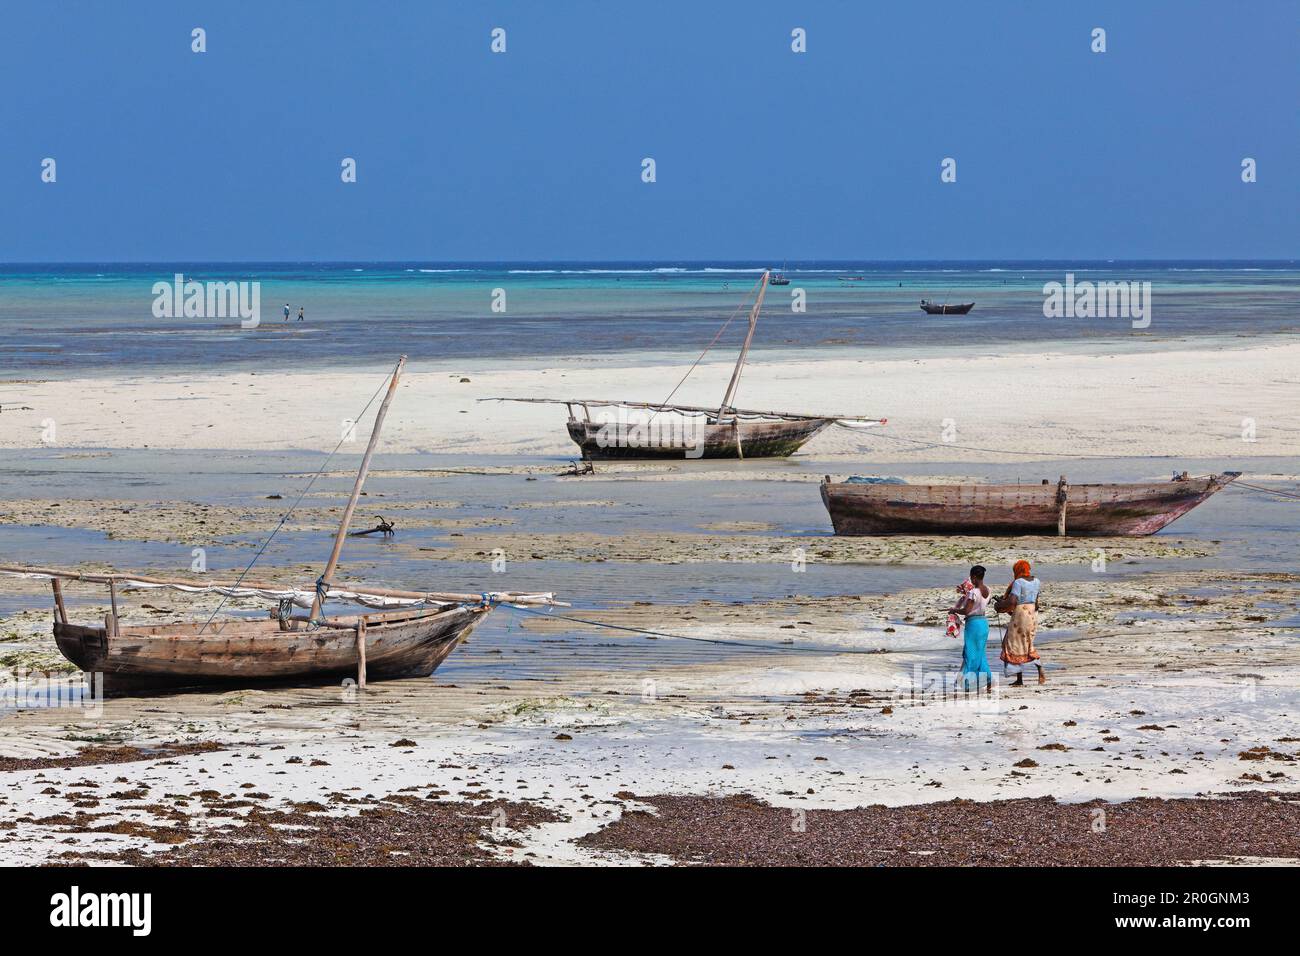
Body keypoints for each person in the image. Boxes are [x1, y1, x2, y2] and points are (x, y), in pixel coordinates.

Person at [996, 559, 1045, 685]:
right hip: (1033, 614)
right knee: (1028, 643)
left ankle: (1019, 679)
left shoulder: (1018, 582)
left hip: (1021, 616)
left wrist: (999, 605)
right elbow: (1037, 603)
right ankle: (1039, 669)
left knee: (1013, 644)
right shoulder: (1037, 581)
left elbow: (1012, 602)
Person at [948, 564, 991, 691]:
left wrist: (954, 610)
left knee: (970, 653)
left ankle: (967, 684)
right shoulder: (988, 590)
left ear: (974, 577)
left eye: (971, 577)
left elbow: (967, 611)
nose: (971, 580)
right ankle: (987, 679)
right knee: (981, 653)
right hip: (983, 623)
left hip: (973, 625)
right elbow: (981, 604)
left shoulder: (973, 592)